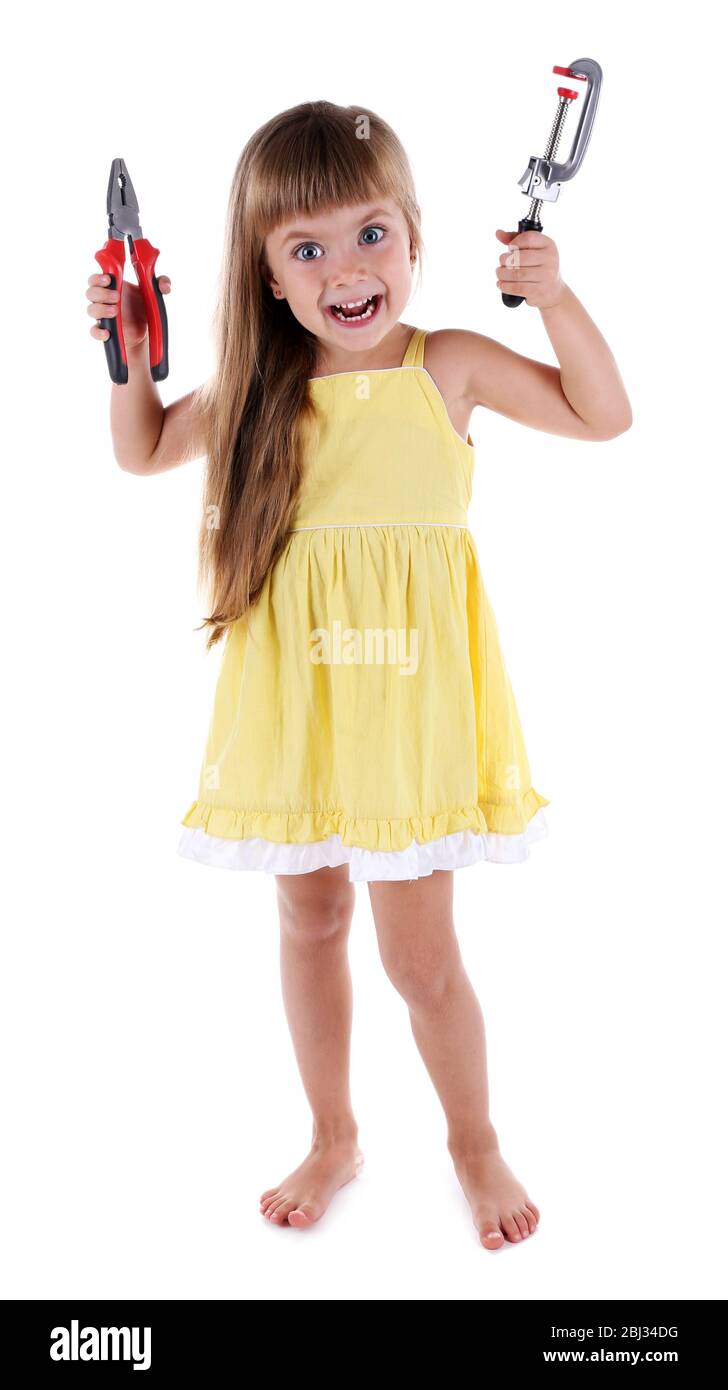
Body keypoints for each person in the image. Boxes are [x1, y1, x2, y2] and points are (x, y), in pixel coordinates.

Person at [86, 100, 631, 1249]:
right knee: (309, 913)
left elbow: (603, 413)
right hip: (298, 707)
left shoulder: (452, 368)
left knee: (420, 956)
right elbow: (137, 450)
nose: (345, 269)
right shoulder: (256, 389)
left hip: (409, 708)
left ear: (415, 234)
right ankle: (333, 1133)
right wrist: (128, 351)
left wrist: (553, 296)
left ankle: (472, 1142)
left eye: (369, 234)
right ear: (269, 275)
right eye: (307, 248)